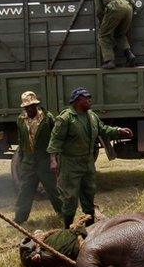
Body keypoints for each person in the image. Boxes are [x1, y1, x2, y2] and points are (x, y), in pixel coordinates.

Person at [48, 88, 133, 228]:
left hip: (87, 162)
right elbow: (55, 140)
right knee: (70, 197)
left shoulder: (92, 116)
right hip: (70, 163)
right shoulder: (66, 118)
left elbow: (103, 129)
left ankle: (90, 226)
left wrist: (118, 131)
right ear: (77, 101)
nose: (89, 100)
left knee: (88, 193)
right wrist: (53, 160)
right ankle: (67, 228)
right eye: (86, 98)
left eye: (90, 97)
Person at [14, 91, 62, 224]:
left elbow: (55, 139)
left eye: (31, 107)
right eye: (26, 107)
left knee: (53, 189)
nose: (28, 109)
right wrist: (23, 160)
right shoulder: (20, 119)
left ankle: (63, 214)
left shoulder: (48, 118)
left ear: (36, 105)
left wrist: (54, 159)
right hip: (28, 163)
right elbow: (21, 140)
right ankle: (19, 220)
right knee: (25, 191)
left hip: (45, 161)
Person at [94, 0, 137, 69]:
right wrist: (134, 9)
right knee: (119, 34)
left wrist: (102, 22)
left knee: (103, 35)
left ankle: (110, 61)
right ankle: (130, 56)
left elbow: (99, 10)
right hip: (128, 8)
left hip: (115, 7)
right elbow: (131, 0)